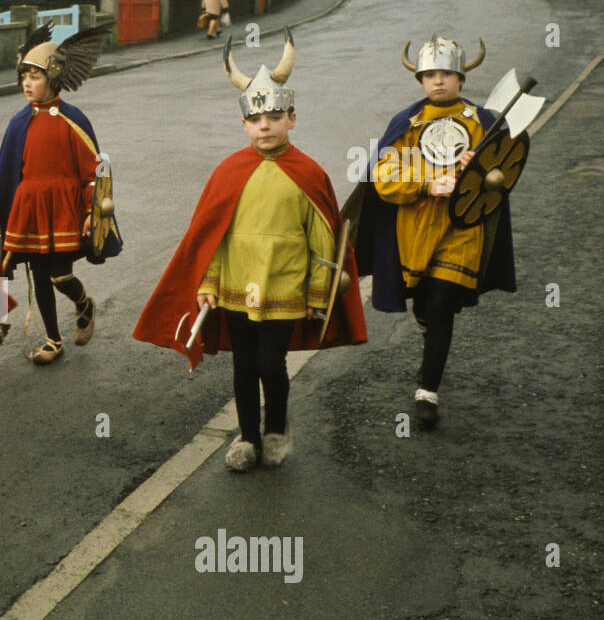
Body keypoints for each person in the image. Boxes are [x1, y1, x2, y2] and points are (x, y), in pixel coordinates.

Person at [133, 29, 367, 470]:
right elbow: (212, 238)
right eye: (257, 120)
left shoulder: (309, 174)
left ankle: (276, 428)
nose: (265, 126)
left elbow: (324, 245)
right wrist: (206, 283)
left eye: (275, 118)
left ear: (291, 119)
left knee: (269, 362)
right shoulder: (229, 172)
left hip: (286, 291)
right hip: (237, 288)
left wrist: (321, 296)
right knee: (243, 365)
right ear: (244, 124)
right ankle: (246, 438)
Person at [342, 35, 510, 430]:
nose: (439, 81)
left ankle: (427, 391)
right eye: (430, 74)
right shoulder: (405, 123)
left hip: (462, 227)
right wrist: (426, 184)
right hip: (415, 229)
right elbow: (383, 177)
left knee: (440, 301)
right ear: (420, 80)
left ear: (461, 78)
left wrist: (480, 167)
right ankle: (429, 326)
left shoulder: (483, 122)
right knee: (425, 303)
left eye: (447, 74)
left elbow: (505, 174)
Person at [0, 23, 119, 364]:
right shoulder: (19, 122)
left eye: (35, 76)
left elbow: (92, 173)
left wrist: (92, 212)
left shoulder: (72, 120)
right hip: (29, 210)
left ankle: (83, 303)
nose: (27, 84)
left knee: (60, 275)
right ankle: (52, 340)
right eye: (24, 77)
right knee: (39, 275)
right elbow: (8, 175)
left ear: (54, 79)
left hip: (63, 209)